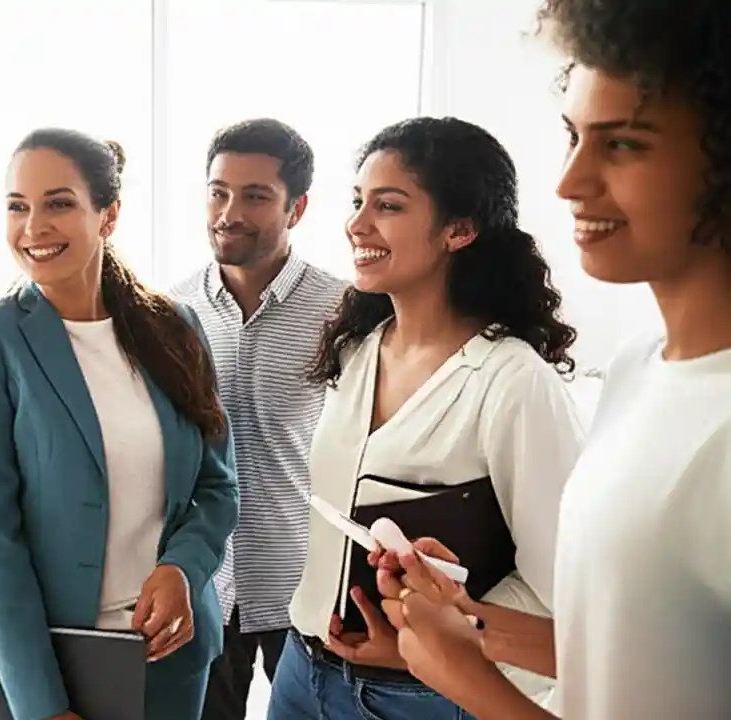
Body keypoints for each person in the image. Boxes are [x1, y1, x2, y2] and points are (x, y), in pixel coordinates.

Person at [378, 2, 731, 718]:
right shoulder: (638, 371)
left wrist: (466, 679)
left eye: (624, 145)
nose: (570, 181)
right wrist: (468, 620)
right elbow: (630, 648)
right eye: (573, 135)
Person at [268, 117, 585, 720]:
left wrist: (439, 639)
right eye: (358, 201)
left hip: (418, 696)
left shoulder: (511, 380)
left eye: (388, 206)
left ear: (459, 230)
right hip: (301, 672)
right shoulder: (358, 353)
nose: (357, 224)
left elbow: (562, 589)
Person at [0, 127, 239, 720]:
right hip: (34, 661)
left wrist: (184, 567)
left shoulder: (174, 328)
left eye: (58, 203)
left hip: (167, 660)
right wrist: (41, 705)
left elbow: (217, 484)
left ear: (108, 216)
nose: (34, 227)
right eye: (17, 207)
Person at [171, 118, 348, 720]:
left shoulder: (345, 312)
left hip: (305, 587)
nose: (229, 211)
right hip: (203, 589)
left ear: (296, 208)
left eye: (254, 196)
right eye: (218, 192)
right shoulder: (169, 312)